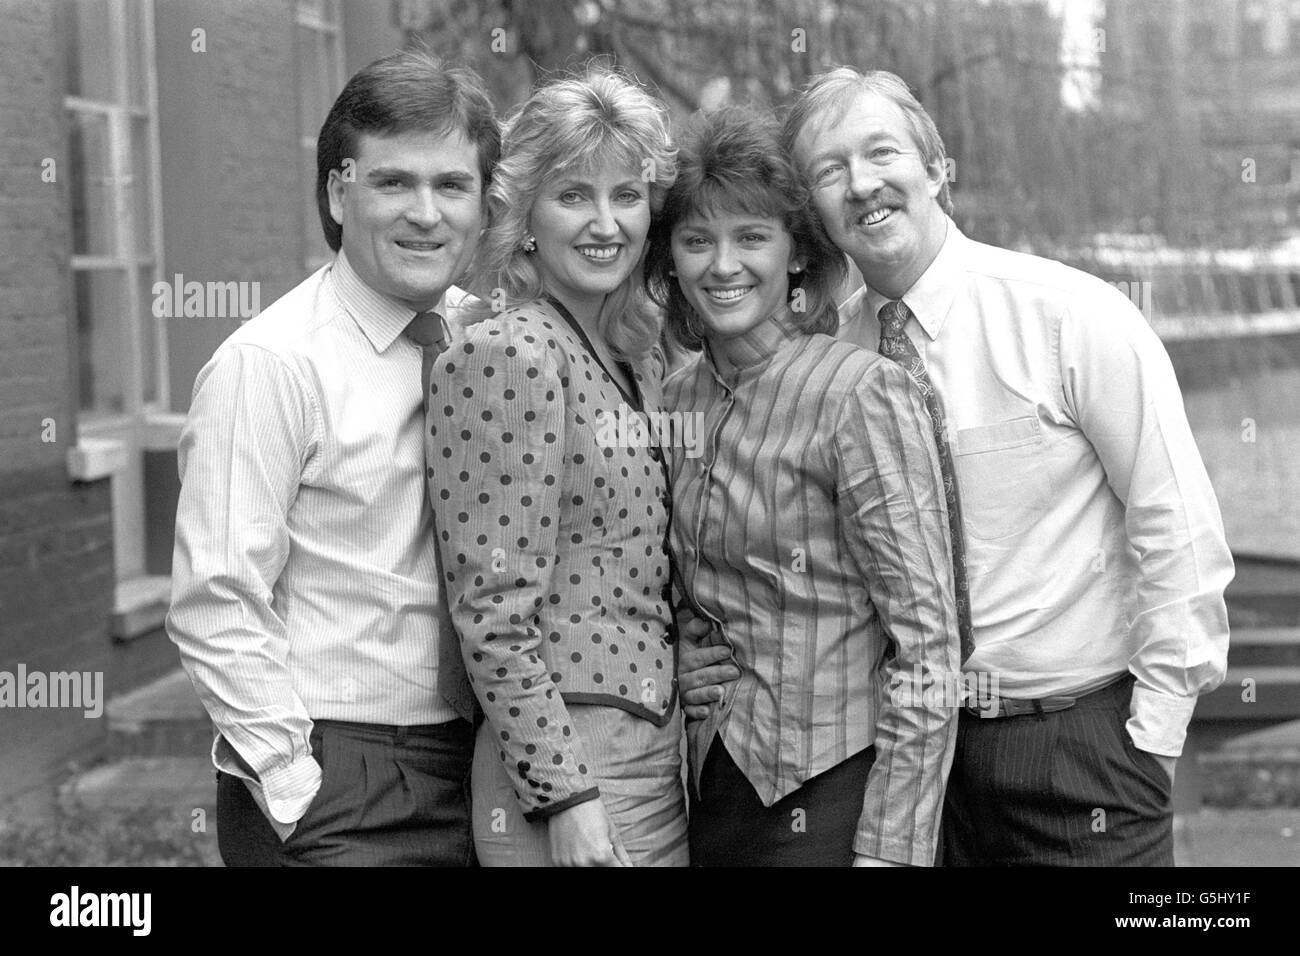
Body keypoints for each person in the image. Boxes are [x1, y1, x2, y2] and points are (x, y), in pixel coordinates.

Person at [759, 66, 1233, 865]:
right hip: (913, 766)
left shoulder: (1069, 317)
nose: (862, 183)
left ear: (936, 167)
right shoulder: (828, 362)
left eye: (880, 153)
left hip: (1081, 753)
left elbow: (1176, 523)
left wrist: (1151, 740)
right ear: (812, 209)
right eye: (830, 170)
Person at [167, 49, 500, 866]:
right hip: (339, 776)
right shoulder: (270, 364)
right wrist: (295, 789)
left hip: (480, 766)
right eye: (393, 182)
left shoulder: (488, 342)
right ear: (338, 194)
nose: (426, 213)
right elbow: (216, 597)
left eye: (451, 185)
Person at [646, 107, 961, 867]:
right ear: (672, 261)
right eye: (697, 240)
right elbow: (676, 585)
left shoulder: (860, 393)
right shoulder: (673, 401)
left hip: (836, 793)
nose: (724, 265)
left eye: (752, 237)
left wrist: (892, 847)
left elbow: (927, 642)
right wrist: (681, 657)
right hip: (711, 791)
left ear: (794, 254)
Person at [424, 69, 686, 866]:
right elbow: (491, 610)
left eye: (626, 195)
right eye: (574, 195)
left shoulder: (633, 356)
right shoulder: (509, 354)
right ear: (526, 214)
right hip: (570, 769)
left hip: (652, 754)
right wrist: (566, 798)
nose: (606, 223)